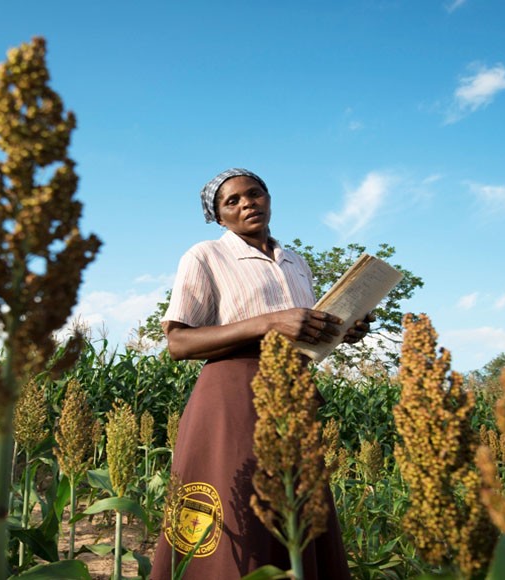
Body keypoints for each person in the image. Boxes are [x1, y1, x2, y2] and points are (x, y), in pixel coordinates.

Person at [150, 168, 372, 579]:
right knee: (241, 513)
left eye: (254, 194)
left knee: (298, 515)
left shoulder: (296, 263)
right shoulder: (205, 256)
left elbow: (300, 333)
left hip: (292, 393)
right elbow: (178, 344)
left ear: (269, 199)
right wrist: (269, 322)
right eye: (231, 201)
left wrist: (343, 331)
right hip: (233, 396)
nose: (246, 203)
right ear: (219, 217)